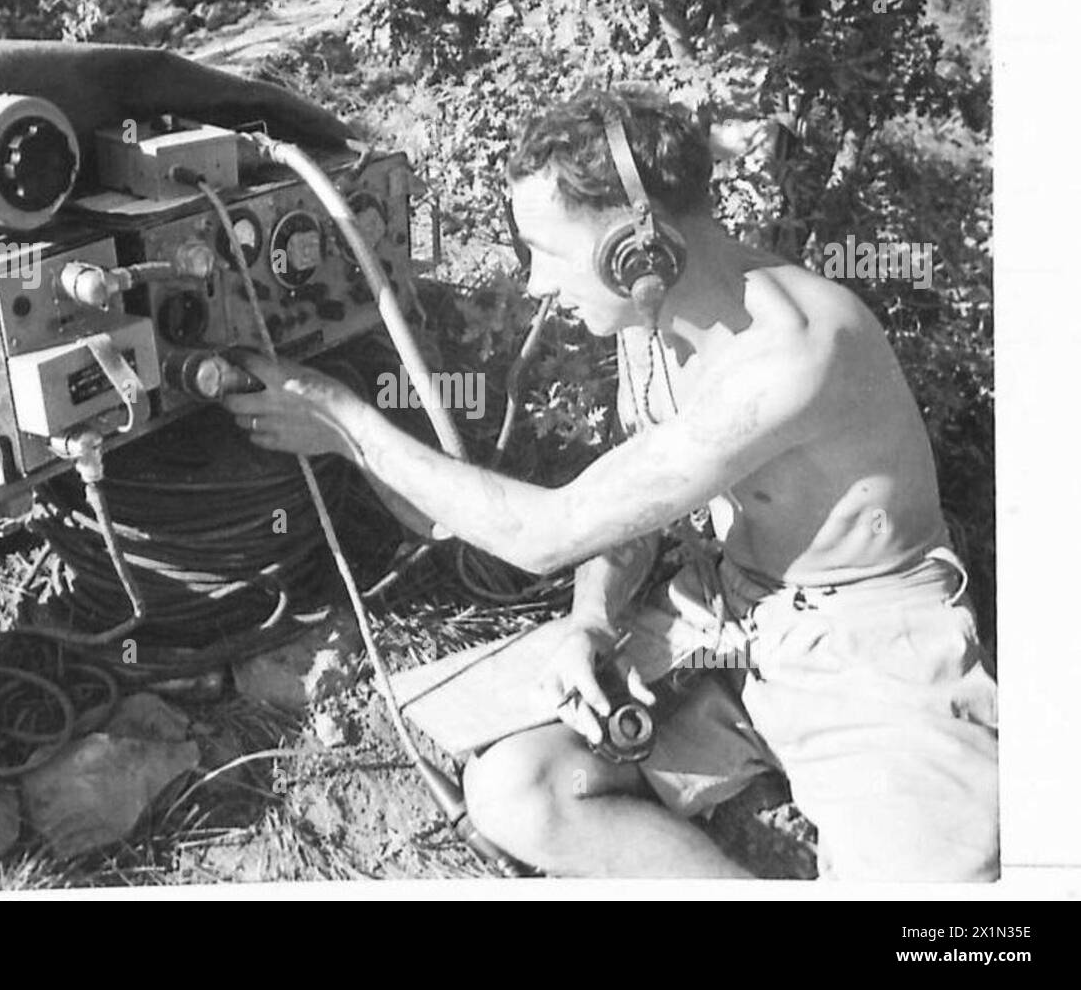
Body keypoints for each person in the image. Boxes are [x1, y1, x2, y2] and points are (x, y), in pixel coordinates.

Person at [222, 85, 999, 881]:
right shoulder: (650, 321)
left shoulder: (792, 351)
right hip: (729, 612)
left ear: (639, 249)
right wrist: (593, 618)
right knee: (517, 790)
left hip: (867, 644)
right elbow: (632, 511)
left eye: (548, 253)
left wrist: (347, 424)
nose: (533, 285)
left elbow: (544, 534)